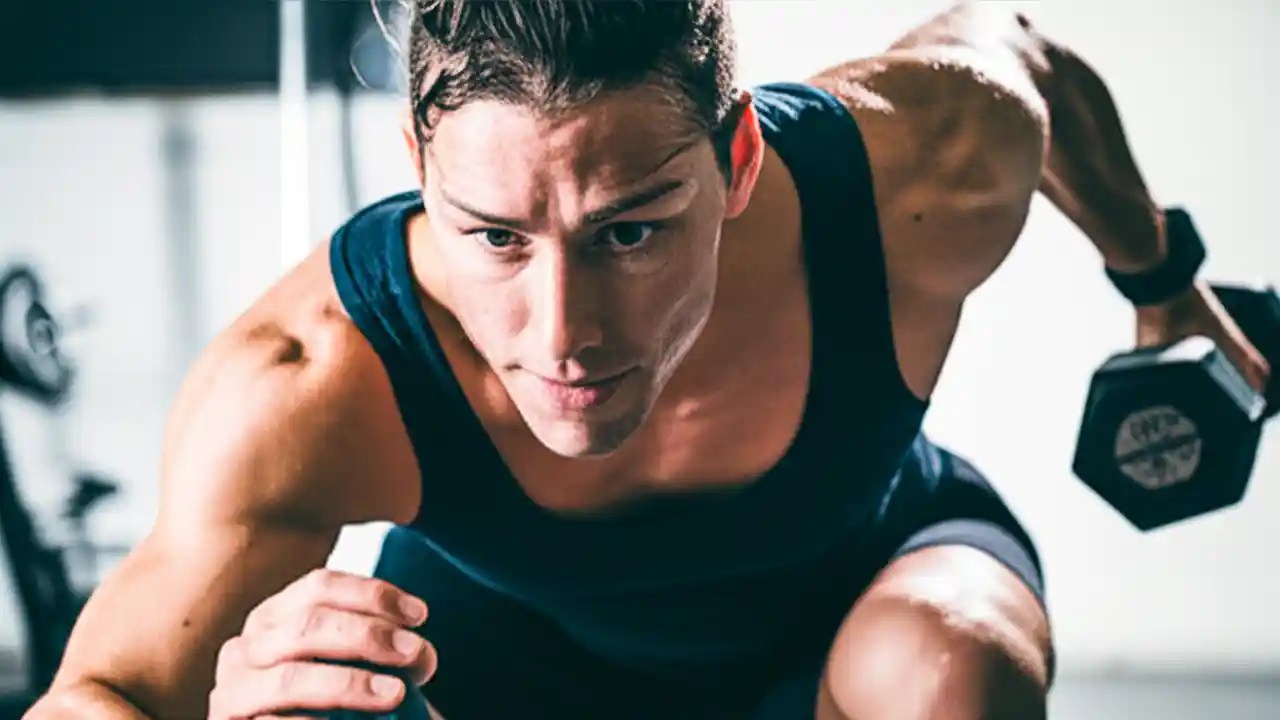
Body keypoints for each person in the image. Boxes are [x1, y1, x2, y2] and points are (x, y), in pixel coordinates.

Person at [29, 2, 1270, 719]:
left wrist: (1164, 286)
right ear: (421, 168)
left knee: (950, 669)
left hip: (868, 585)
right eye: (495, 237)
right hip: (505, 661)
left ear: (736, 161)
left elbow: (1029, 66)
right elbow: (99, 696)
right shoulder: (312, 377)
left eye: (628, 231)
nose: (562, 332)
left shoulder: (907, 174)